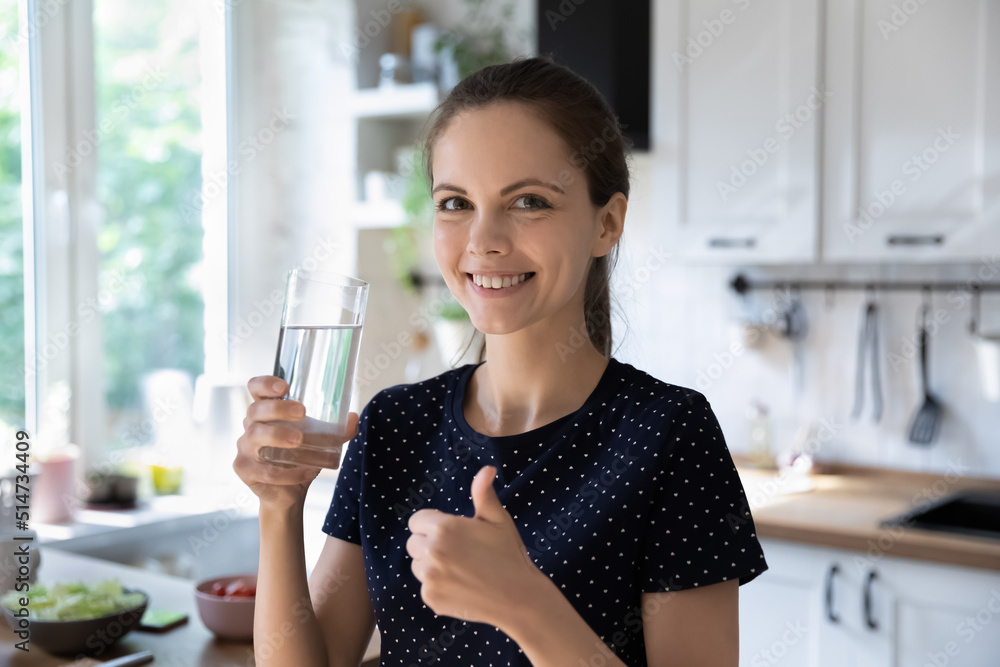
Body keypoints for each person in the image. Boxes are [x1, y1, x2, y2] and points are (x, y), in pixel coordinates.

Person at [234, 56, 768, 667]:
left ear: (607, 223)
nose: (483, 240)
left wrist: (525, 606)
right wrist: (278, 508)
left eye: (529, 201)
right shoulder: (392, 427)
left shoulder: (668, 434)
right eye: (456, 203)